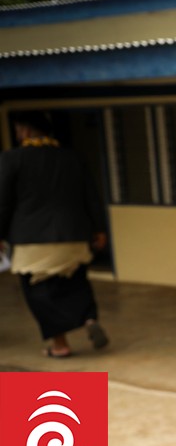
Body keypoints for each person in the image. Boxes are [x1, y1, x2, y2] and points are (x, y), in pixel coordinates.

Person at [0, 111, 110, 358]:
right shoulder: (72, 157)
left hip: (32, 239)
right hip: (74, 234)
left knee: (39, 293)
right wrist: (99, 229)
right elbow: (91, 195)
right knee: (76, 282)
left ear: (25, 131)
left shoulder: (12, 159)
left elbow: (3, 202)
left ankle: (60, 344)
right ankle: (90, 319)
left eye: (18, 130)